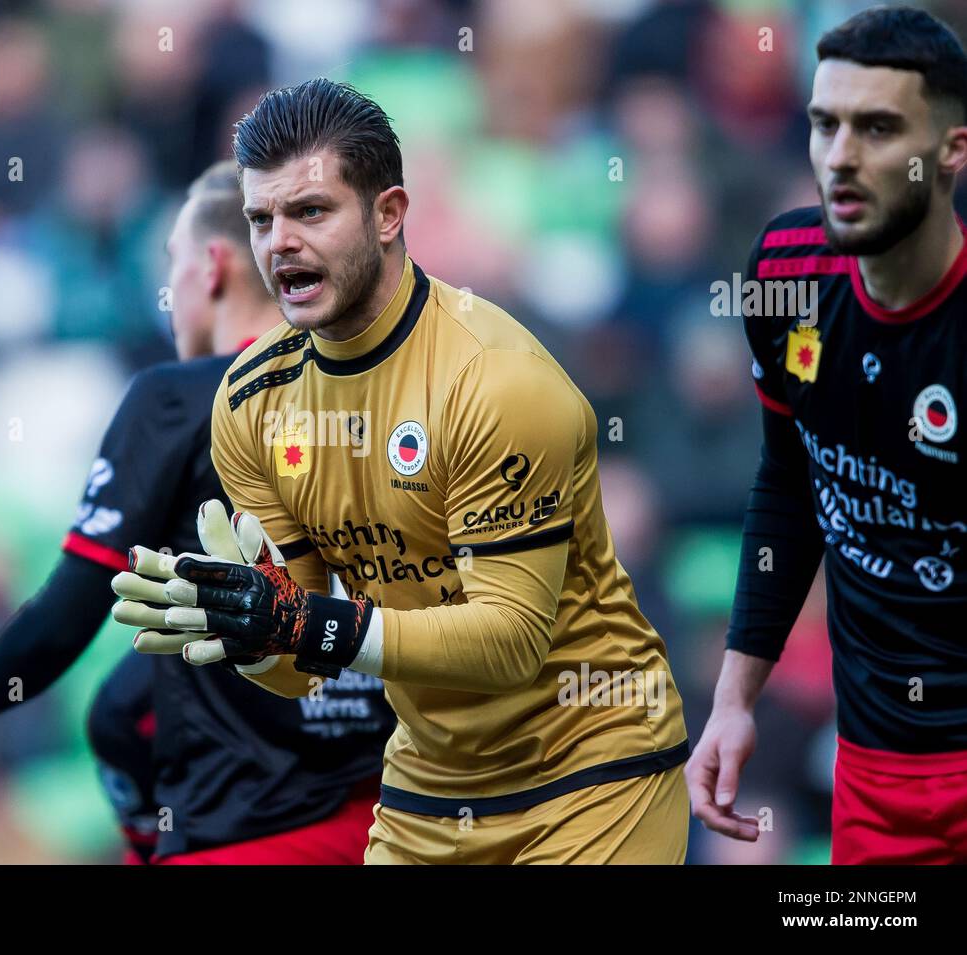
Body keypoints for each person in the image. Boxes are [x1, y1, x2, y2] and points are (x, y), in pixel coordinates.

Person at [113, 79, 689, 865]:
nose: (278, 241)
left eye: (310, 211)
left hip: (591, 769)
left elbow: (511, 640)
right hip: (430, 781)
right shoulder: (248, 404)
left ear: (389, 214)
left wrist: (307, 624)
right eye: (260, 218)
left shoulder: (496, 380)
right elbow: (301, 666)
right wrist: (251, 633)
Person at [0, 161, 394, 864]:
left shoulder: (177, 398)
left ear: (215, 267)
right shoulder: (392, 395)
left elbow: (65, 616)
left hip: (249, 838)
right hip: (392, 824)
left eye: (174, 270)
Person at [686, 6, 967, 864]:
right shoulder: (785, 271)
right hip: (871, 776)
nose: (840, 154)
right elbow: (790, 483)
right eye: (824, 123)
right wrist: (736, 698)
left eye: (878, 128)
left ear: (952, 150)